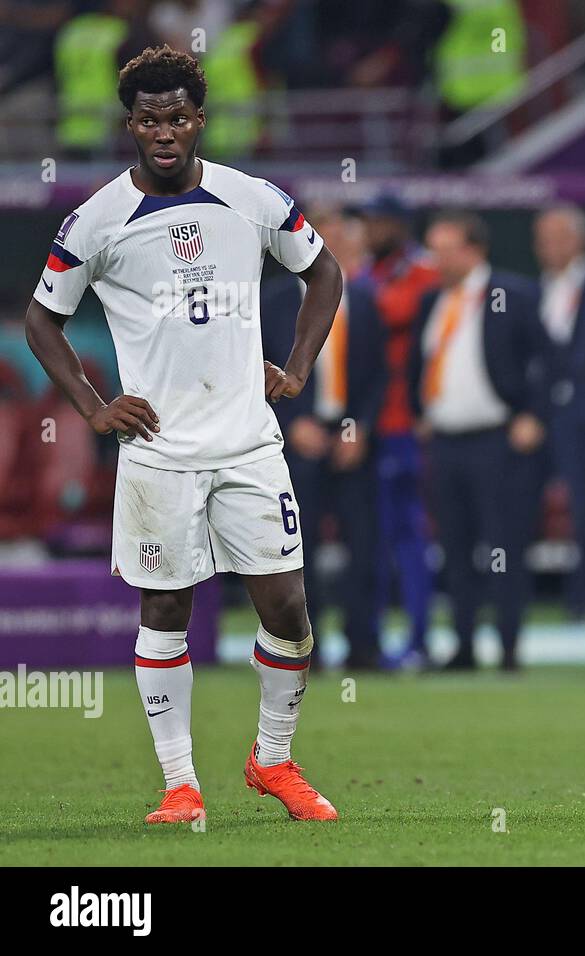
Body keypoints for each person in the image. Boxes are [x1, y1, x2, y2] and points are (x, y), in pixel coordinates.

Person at [24, 47, 341, 823]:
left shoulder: (253, 197)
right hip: (159, 453)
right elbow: (42, 320)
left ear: (199, 119)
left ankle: (273, 761)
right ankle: (179, 783)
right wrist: (95, 406)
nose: (164, 131)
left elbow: (323, 272)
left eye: (178, 117)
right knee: (166, 610)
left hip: (247, 443)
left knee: (289, 610)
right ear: (129, 124)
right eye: (148, 119)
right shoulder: (95, 220)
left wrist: (297, 367)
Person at [409, 211, 549, 671]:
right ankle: (464, 644)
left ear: (475, 249)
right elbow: (419, 363)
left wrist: (533, 414)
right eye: (434, 250)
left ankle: (509, 645)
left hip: (497, 440)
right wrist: (421, 411)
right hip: (445, 443)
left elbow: (547, 361)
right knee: (453, 547)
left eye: (446, 250)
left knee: (503, 546)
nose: (438, 261)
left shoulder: (513, 293)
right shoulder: (432, 301)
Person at [262, 207, 386, 670]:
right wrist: (290, 421)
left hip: (351, 440)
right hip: (293, 441)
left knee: (364, 546)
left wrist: (360, 429)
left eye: (343, 241)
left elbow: (377, 377)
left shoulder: (367, 300)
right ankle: (302, 648)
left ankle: (364, 648)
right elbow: (252, 366)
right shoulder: (271, 300)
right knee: (298, 549)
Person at [362, 194, 439, 667]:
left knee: (410, 536)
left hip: (404, 423)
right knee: (371, 538)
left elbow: (401, 317)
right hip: (367, 426)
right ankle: (367, 639)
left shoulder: (423, 274)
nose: (369, 231)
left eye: (376, 223)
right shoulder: (364, 275)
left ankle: (418, 638)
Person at [533, 203, 585, 618]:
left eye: (559, 237)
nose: (550, 247)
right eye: (543, 240)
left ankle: (583, 595)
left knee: (584, 505)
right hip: (540, 414)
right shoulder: (531, 290)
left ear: (580, 239)